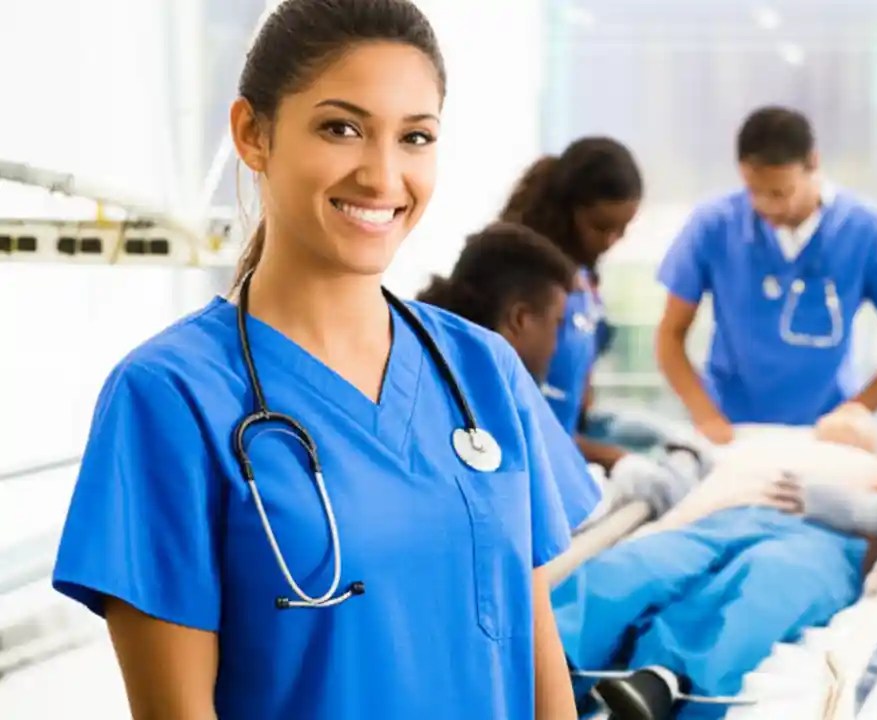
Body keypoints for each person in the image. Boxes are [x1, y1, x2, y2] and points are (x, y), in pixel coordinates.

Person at [49, 2, 596, 718]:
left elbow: (538, 662)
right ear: (253, 133)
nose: (382, 175)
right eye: (342, 128)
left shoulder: (481, 370)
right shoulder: (168, 398)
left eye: (416, 137)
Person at [655, 106, 877, 445]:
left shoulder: (870, 232)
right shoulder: (713, 226)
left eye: (780, 193)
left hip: (825, 434)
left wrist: (852, 414)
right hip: (733, 431)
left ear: (813, 163)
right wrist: (707, 416)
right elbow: (669, 335)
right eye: (754, 191)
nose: (767, 207)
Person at [418, 221, 702, 522]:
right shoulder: (497, 401)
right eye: (557, 323)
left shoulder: (444, 375)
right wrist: (627, 484)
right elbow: (575, 510)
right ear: (520, 319)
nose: (557, 345)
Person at [498, 137, 644, 471]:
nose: (610, 242)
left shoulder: (584, 279)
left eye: (622, 230)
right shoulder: (527, 279)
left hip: (569, 438)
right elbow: (531, 425)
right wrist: (617, 459)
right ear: (567, 210)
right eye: (602, 227)